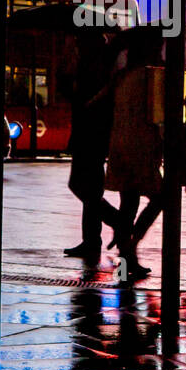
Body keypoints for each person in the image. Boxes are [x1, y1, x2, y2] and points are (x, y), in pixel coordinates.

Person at [104, 27, 165, 281]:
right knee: (162, 197)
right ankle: (131, 246)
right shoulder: (153, 76)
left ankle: (127, 261)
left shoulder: (123, 75)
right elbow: (159, 117)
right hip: (140, 145)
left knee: (128, 202)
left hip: (119, 144)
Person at [63, 29, 120, 264]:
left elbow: (84, 100)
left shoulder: (95, 65)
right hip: (90, 133)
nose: (76, 44)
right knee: (87, 187)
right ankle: (93, 238)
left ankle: (113, 224)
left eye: (78, 41)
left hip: (92, 134)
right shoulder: (93, 63)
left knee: (83, 185)